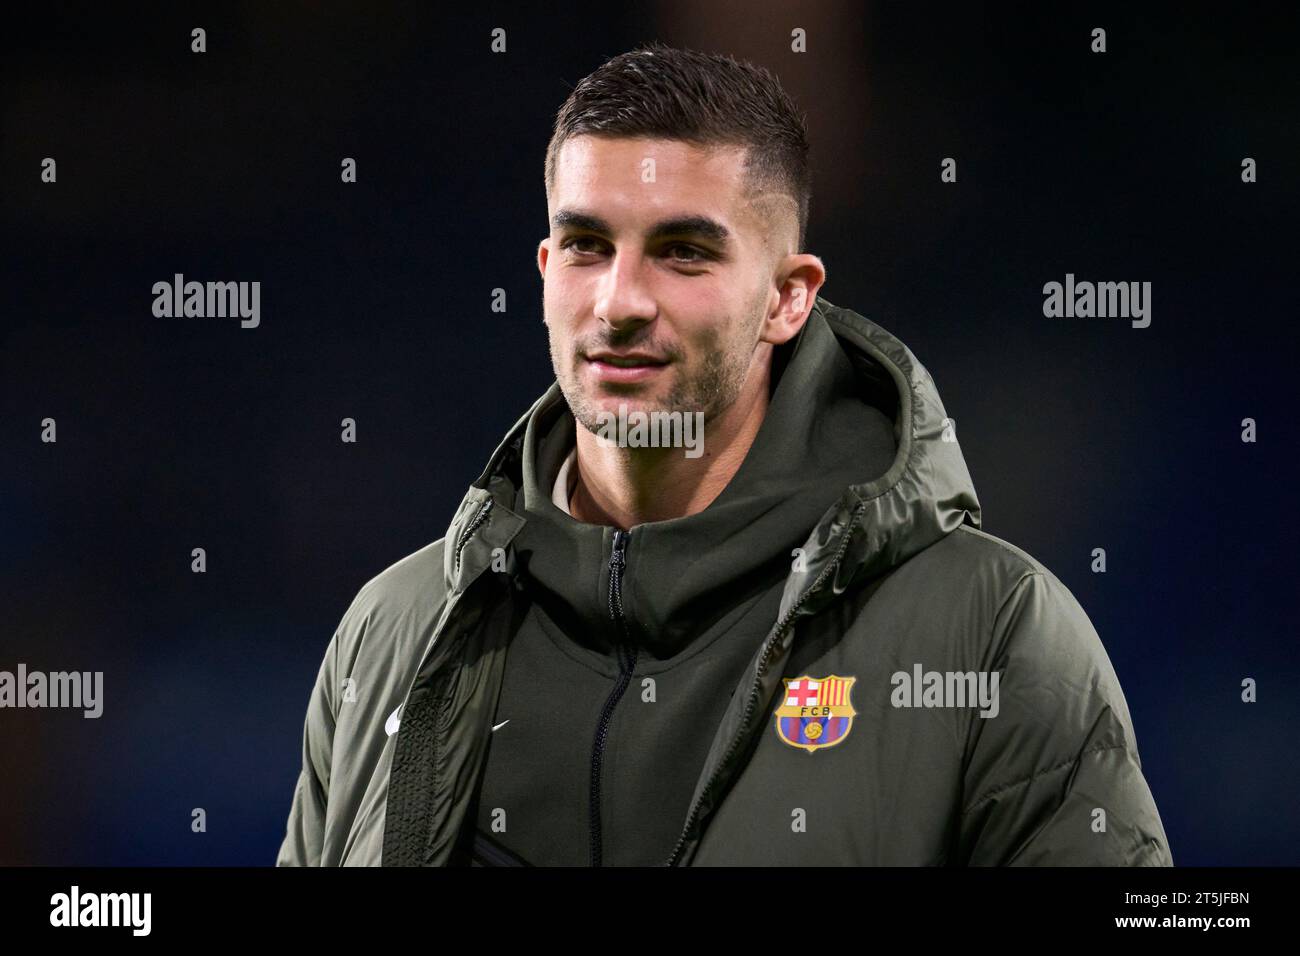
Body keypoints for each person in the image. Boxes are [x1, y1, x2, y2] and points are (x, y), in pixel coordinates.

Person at [276, 42, 1172, 867]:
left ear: (789, 298)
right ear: (545, 270)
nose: (621, 301)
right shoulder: (391, 633)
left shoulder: (992, 635)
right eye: (589, 246)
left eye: (682, 253)